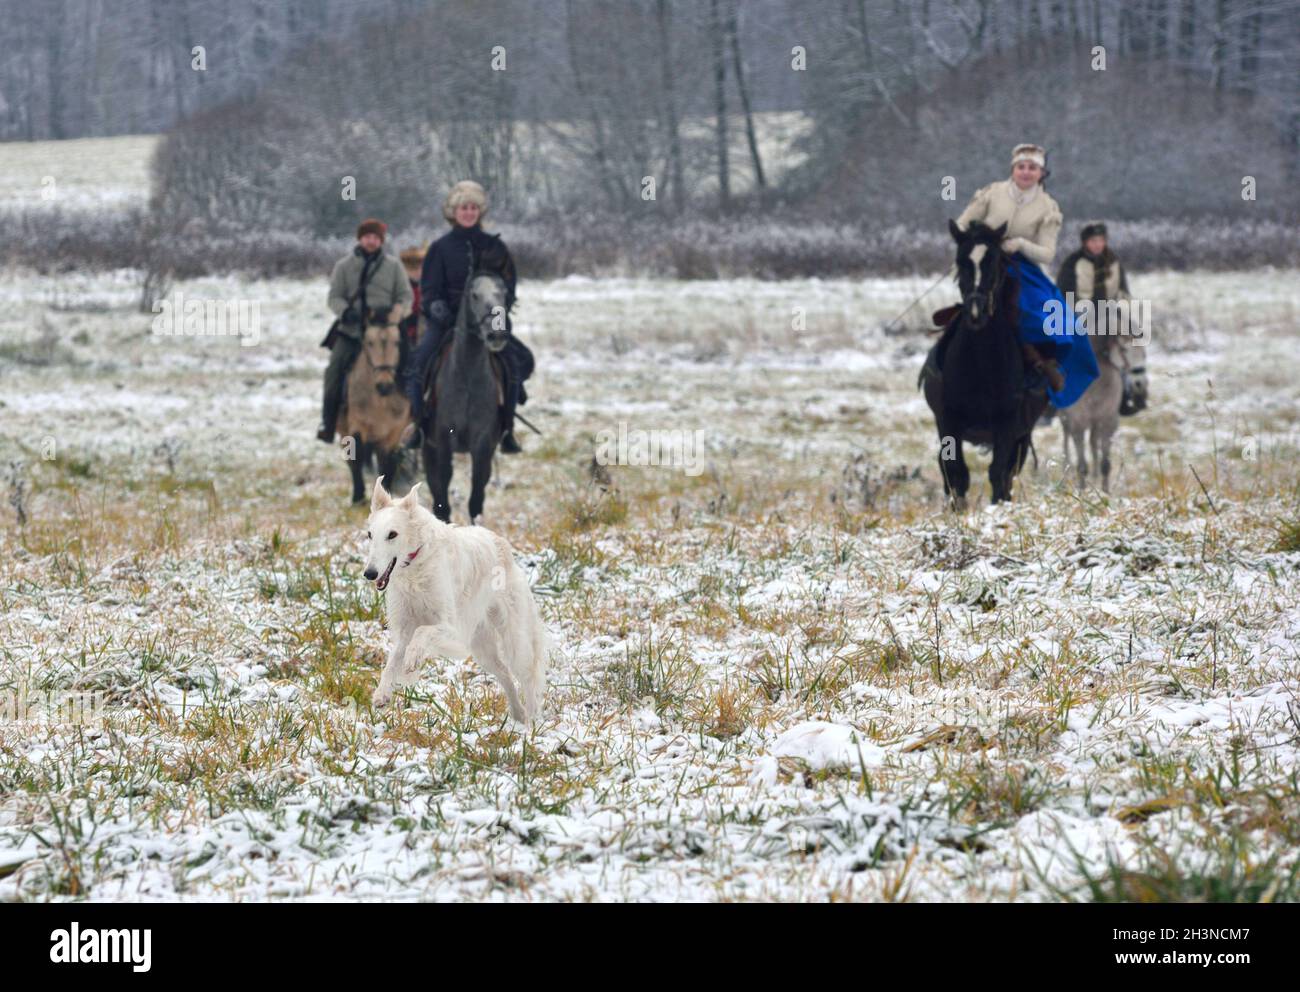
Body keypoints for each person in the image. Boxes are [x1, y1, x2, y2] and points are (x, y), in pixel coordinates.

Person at [946, 143, 1099, 408]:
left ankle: (1041, 367)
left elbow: (1047, 253)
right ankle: (943, 363)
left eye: (1032, 168)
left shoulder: (1048, 207)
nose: (1026, 172)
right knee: (971, 297)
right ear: (1013, 169)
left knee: (1053, 316)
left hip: (1021, 267)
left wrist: (1019, 245)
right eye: (1021, 167)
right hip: (984, 259)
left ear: (1041, 173)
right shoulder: (991, 193)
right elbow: (961, 223)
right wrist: (973, 240)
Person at [401, 180, 534, 454]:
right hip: (448, 322)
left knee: (517, 361)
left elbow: (508, 286)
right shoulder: (440, 248)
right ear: (454, 211)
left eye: (474, 207)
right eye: (464, 207)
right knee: (417, 364)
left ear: (480, 211)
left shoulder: (496, 247)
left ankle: (507, 429)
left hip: (490, 318)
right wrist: (440, 311)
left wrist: (497, 311)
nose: (469, 212)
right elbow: (429, 289)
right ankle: (419, 425)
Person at [317, 219, 413, 443]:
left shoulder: (394, 266)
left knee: (412, 367)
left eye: (376, 238)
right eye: (368, 237)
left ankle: (417, 418)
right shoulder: (344, 266)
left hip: (387, 332)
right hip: (352, 331)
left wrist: (397, 314)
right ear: (360, 239)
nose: (371, 241)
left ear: (381, 241)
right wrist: (345, 312)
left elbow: (405, 296)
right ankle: (328, 422)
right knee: (333, 371)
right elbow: (334, 297)